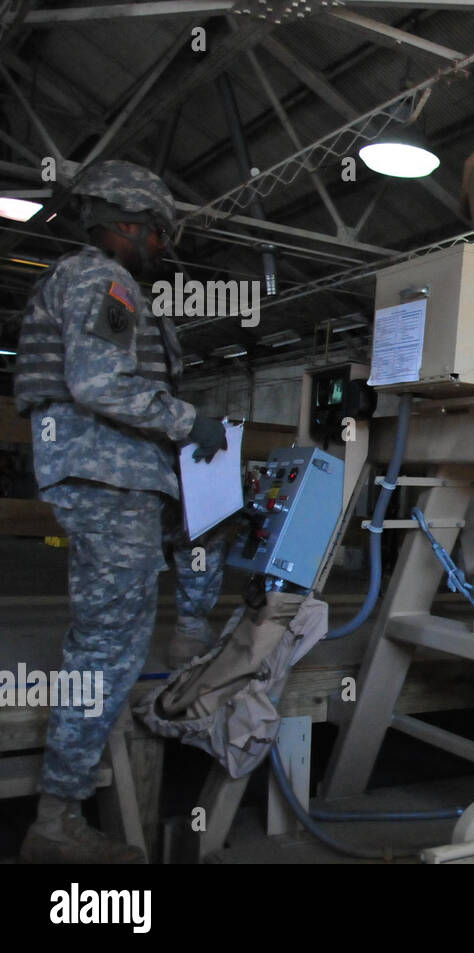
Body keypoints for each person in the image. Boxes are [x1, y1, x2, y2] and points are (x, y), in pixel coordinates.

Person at [14, 159, 228, 863]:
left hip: (112, 475)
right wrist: (185, 420)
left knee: (114, 628)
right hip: (107, 476)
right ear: (128, 225)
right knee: (108, 643)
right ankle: (57, 818)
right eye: (157, 236)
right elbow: (99, 381)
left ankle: (189, 640)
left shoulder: (91, 283)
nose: (161, 250)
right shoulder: (104, 279)